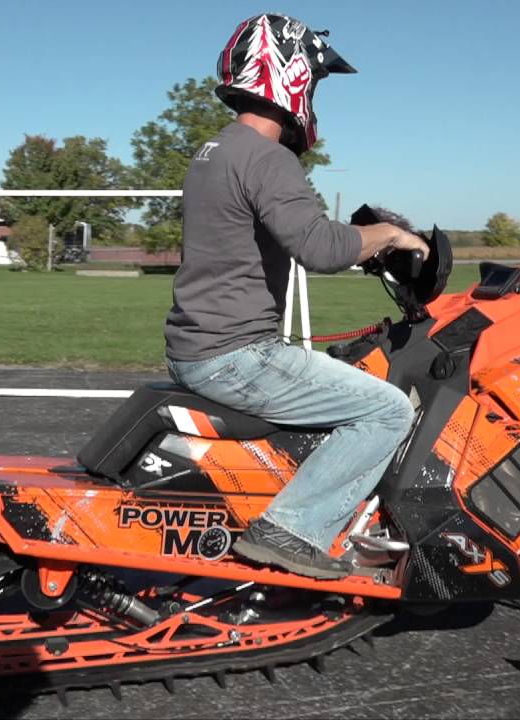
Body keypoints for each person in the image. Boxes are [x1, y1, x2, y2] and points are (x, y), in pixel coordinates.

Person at [164, 14, 430, 580]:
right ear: (289, 75)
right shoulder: (266, 156)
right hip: (235, 354)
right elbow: (320, 247)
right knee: (386, 409)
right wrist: (391, 236)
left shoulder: (217, 150)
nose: (313, 91)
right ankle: (293, 529)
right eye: (313, 78)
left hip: (201, 344)